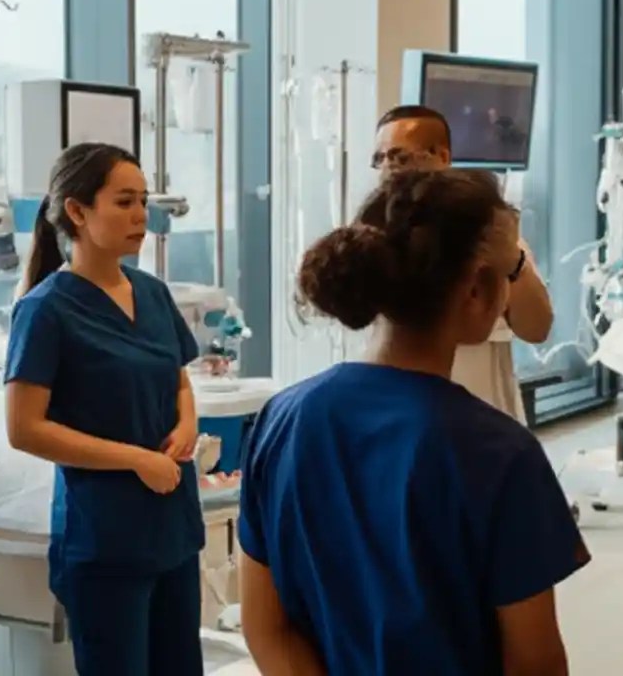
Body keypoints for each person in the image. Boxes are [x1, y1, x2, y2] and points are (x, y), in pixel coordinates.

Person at [239, 169, 588, 675]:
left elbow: (265, 628)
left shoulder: (283, 419)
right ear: (479, 291)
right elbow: (535, 664)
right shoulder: (498, 453)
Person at [4, 142, 204, 676]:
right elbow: (25, 430)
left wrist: (188, 423)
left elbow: (179, 381)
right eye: (123, 202)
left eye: (143, 200)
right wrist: (135, 459)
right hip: (105, 539)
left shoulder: (153, 293)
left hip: (173, 529)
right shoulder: (46, 310)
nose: (141, 215)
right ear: (77, 211)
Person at [372, 105, 552, 423]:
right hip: (400, 418)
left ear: (442, 157)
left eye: (400, 157)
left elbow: (537, 328)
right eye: (380, 159)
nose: (388, 169)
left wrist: (511, 261)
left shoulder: (489, 237)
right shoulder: (374, 240)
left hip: (481, 420)